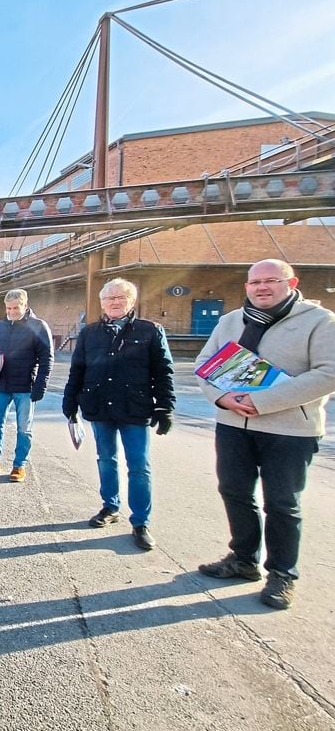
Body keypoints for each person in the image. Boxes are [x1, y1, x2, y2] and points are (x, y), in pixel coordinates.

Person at [195, 259, 335, 610]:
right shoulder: (230, 321)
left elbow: (328, 373)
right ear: (247, 287)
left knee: (283, 503)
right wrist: (221, 397)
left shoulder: (319, 321)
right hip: (232, 425)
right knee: (234, 491)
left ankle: (283, 574)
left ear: (292, 282)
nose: (262, 287)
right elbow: (204, 364)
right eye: (255, 282)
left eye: (271, 280)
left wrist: (262, 402)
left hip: (289, 429)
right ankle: (243, 558)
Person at [62, 278, 175, 551]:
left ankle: (140, 522)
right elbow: (77, 370)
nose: (114, 302)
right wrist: (70, 402)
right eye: (109, 298)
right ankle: (110, 506)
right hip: (100, 406)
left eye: (120, 297)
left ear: (131, 301)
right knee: (106, 459)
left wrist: (165, 406)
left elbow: (163, 371)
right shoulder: (89, 333)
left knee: (139, 465)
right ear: (101, 303)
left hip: (134, 408)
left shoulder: (150, 331)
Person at [0, 289, 51, 481]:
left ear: (25, 305)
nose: (12, 312)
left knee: (24, 428)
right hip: (0, 386)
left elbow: (46, 358)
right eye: (9, 308)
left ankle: (19, 466)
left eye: (16, 308)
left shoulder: (39, 327)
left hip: (25, 387)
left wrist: (40, 385)